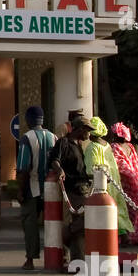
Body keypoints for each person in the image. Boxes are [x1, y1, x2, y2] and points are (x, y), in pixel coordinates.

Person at [48, 110, 94, 265]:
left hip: (83, 189)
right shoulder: (64, 142)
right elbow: (55, 160)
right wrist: (59, 170)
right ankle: (67, 253)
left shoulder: (80, 145)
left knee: (82, 224)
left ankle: (78, 258)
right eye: (88, 131)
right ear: (80, 129)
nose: (89, 134)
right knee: (75, 225)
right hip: (71, 190)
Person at [17, 105, 56, 270]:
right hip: (51, 190)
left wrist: (20, 191)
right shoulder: (53, 137)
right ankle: (58, 256)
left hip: (32, 189)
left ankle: (30, 260)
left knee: (30, 224)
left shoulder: (27, 138)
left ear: (29, 120)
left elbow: (23, 168)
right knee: (54, 223)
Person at [108, 122, 138, 246]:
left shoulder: (114, 147)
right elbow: (135, 166)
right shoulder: (130, 147)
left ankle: (129, 236)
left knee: (125, 210)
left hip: (125, 184)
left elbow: (119, 166)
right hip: (137, 183)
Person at [85, 117, 132, 241]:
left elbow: (91, 167)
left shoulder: (92, 147)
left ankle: (110, 238)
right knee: (117, 207)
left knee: (105, 208)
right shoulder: (107, 146)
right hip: (114, 179)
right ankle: (123, 234)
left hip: (102, 181)